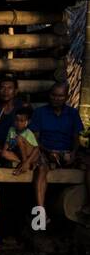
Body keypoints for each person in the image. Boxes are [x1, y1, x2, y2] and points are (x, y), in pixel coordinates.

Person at [30, 82, 90, 220]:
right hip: (45, 150)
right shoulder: (40, 113)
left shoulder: (73, 113)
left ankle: (88, 206)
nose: (56, 98)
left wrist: (74, 153)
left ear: (66, 97)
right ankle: (41, 213)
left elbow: (76, 138)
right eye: (53, 95)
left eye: (60, 96)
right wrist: (48, 151)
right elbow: (35, 139)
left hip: (68, 151)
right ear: (49, 95)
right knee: (41, 169)